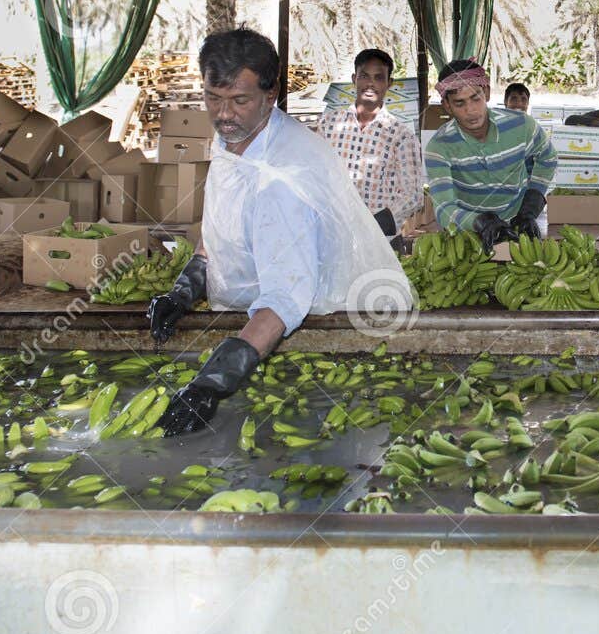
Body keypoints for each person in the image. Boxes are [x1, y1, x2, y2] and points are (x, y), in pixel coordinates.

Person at [147, 29, 410, 435]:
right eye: (213, 98)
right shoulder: (236, 137)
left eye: (239, 100)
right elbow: (222, 225)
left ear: (270, 97)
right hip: (252, 312)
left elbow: (286, 299)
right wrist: (186, 287)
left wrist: (213, 383)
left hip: (324, 320)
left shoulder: (284, 176)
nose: (223, 114)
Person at [424, 58, 557, 250]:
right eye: (459, 103)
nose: (471, 111)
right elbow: (444, 209)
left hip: (517, 224)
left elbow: (548, 157)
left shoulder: (522, 125)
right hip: (468, 233)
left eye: (476, 98)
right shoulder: (439, 147)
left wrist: (531, 206)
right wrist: (480, 222)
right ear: (447, 105)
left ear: (486, 92)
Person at [317, 47, 424, 239]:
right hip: (332, 232)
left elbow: (413, 194)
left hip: (379, 240)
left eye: (378, 77)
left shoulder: (401, 135)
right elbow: (316, 174)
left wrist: (374, 225)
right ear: (354, 79)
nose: (370, 84)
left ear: (389, 83)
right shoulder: (329, 124)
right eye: (364, 76)